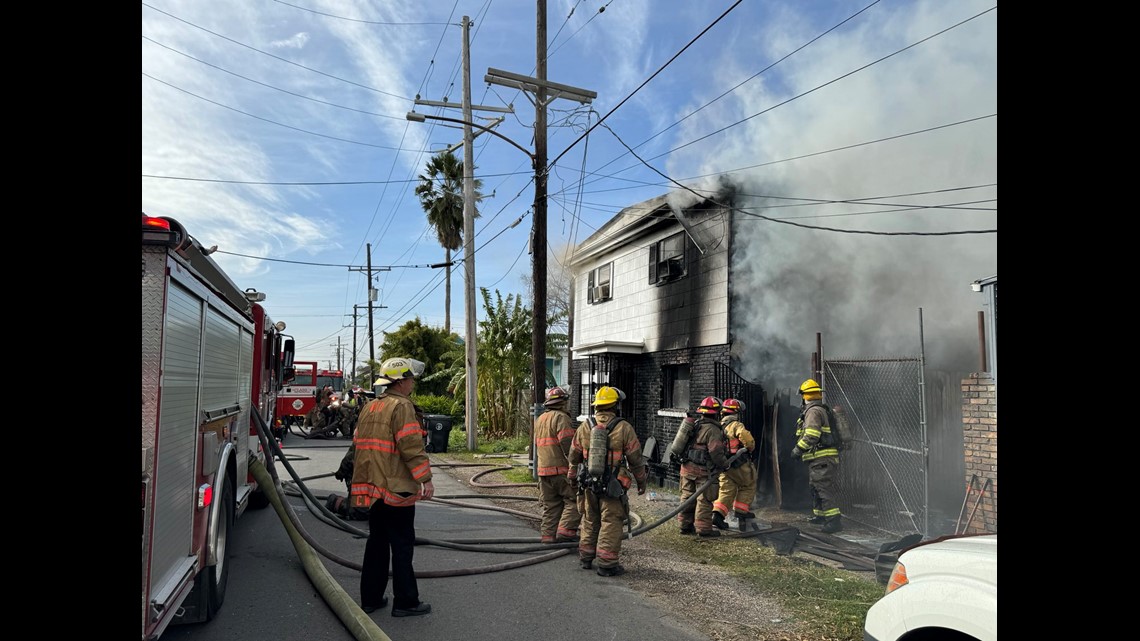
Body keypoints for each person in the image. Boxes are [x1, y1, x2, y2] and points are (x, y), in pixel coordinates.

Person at [349, 357, 434, 617]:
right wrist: (425, 479)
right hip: (396, 487)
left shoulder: (371, 406)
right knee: (402, 544)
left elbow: (357, 443)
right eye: (410, 379)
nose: (412, 384)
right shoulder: (402, 407)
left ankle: (371, 599)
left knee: (376, 542)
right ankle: (406, 602)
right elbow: (410, 446)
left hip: (373, 487)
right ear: (400, 381)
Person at [567, 386, 648, 576]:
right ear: (615, 406)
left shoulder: (585, 426)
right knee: (611, 521)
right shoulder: (624, 427)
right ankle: (607, 563)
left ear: (597, 406)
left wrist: (572, 477)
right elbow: (635, 458)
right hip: (613, 485)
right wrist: (642, 481)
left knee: (589, 519)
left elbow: (573, 455)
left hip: (588, 482)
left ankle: (586, 558)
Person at [791, 378, 843, 533]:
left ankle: (834, 521)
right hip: (819, 458)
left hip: (822, 458)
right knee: (816, 487)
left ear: (805, 395)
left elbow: (812, 435)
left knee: (823, 489)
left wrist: (798, 450)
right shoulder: (820, 409)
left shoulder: (813, 411)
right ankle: (821, 516)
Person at [677, 396, 731, 537]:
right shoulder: (713, 430)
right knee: (704, 500)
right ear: (717, 412)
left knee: (687, 497)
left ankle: (685, 525)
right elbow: (716, 453)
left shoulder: (694, 424)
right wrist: (725, 464)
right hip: (702, 471)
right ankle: (704, 529)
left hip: (686, 467)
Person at [534, 386, 581, 544]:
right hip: (561, 469)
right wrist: (575, 463)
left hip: (543, 470)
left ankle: (548, 536)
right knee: (575, 500)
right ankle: (566, 532)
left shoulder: (540, 419)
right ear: (563, 402)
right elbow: (568, 444)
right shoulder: (562, 418)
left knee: (551, 505)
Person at [711, 398, 758, 532]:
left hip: (725, 465)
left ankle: (717, 515)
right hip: (739, 463)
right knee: (748, 484)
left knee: (726, 489)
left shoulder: (719, 425)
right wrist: (750, 448)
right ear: (736, 412)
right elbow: (748, 441)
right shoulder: (736, 425)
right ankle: (741, 511)